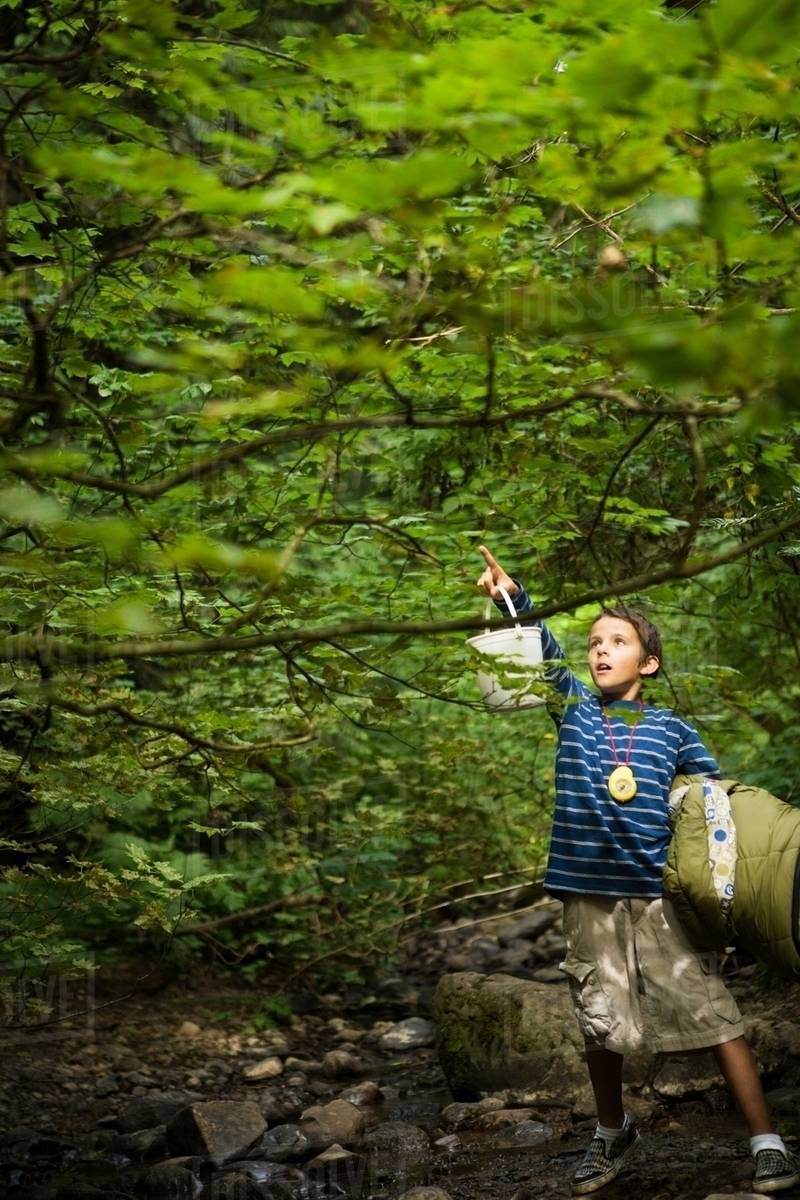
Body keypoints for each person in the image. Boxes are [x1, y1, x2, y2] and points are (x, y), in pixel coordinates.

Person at [475, 544, 799, 1197]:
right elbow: (540, 647)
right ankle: (612, 1130)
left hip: (658, 896)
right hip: (586, 895)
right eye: (594, 641)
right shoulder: (572, 709)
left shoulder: (674, 730)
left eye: (616, 642)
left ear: (646, 662)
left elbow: (715, 810)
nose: (599, 650)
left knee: (714, 1015)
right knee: (600, 1019)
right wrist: (510, 598)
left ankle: (766, 1140)